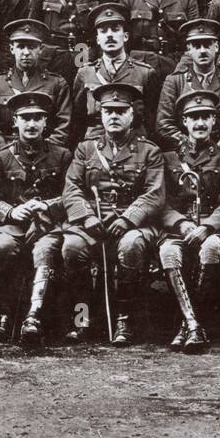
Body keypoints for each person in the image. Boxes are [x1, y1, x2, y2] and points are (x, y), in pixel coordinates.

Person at [60, 83, 165, 346]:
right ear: (101, 115)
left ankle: (124, 319)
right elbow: (71, 187)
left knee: (130, 246)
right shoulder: (86, 149)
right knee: (72, 247)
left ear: (132, 115)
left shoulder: (148, 150)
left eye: (121, 111)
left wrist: (128, 218)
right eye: (109, 111)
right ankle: (81, 320)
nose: (114, 116)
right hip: (93, 222)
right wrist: (86, 217)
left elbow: (155, 193)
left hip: (132, 224)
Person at [158, 90, 220, 352]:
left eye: (206, 117)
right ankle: (194, 325)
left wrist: (208, 226)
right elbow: (161, 202)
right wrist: (182, 224)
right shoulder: (169, 159)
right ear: (184, 122)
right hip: (180, 227)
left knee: (211, 247)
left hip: (213, 228)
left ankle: (192, 325)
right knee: (169, 251)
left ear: (214, 121)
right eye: (194, 117)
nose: (200, 123)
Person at [0, 91, 71, 344]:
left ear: (46, 122)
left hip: (48, 225)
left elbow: (71, 195)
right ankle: (3, 314)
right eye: (25, 118)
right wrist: (11, 211)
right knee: (3, 247)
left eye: (37, 118)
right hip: (13, 225)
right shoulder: (1, 157)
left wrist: (47, 205)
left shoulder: (62, 155)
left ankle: (35, 316)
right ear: (15, 122)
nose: (31, 124)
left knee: (44, 251)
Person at [156, 19, 220, 154]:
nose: (203, 51)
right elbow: (164, 123)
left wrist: (219, 149)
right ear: (189, 50)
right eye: (197, 46)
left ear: (216, 47)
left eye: (207, 45)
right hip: (185, 155)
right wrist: (188, 144)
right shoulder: (174, 81)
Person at [70, 3, 156, 142]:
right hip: (94, 145)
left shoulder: (145, 73)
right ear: (98, 39)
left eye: (115, 30)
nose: (109, 35)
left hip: (134, 145)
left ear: (126, 36)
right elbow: (78, 119)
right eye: (103, 31)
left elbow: (151, 119)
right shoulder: (85, 73)